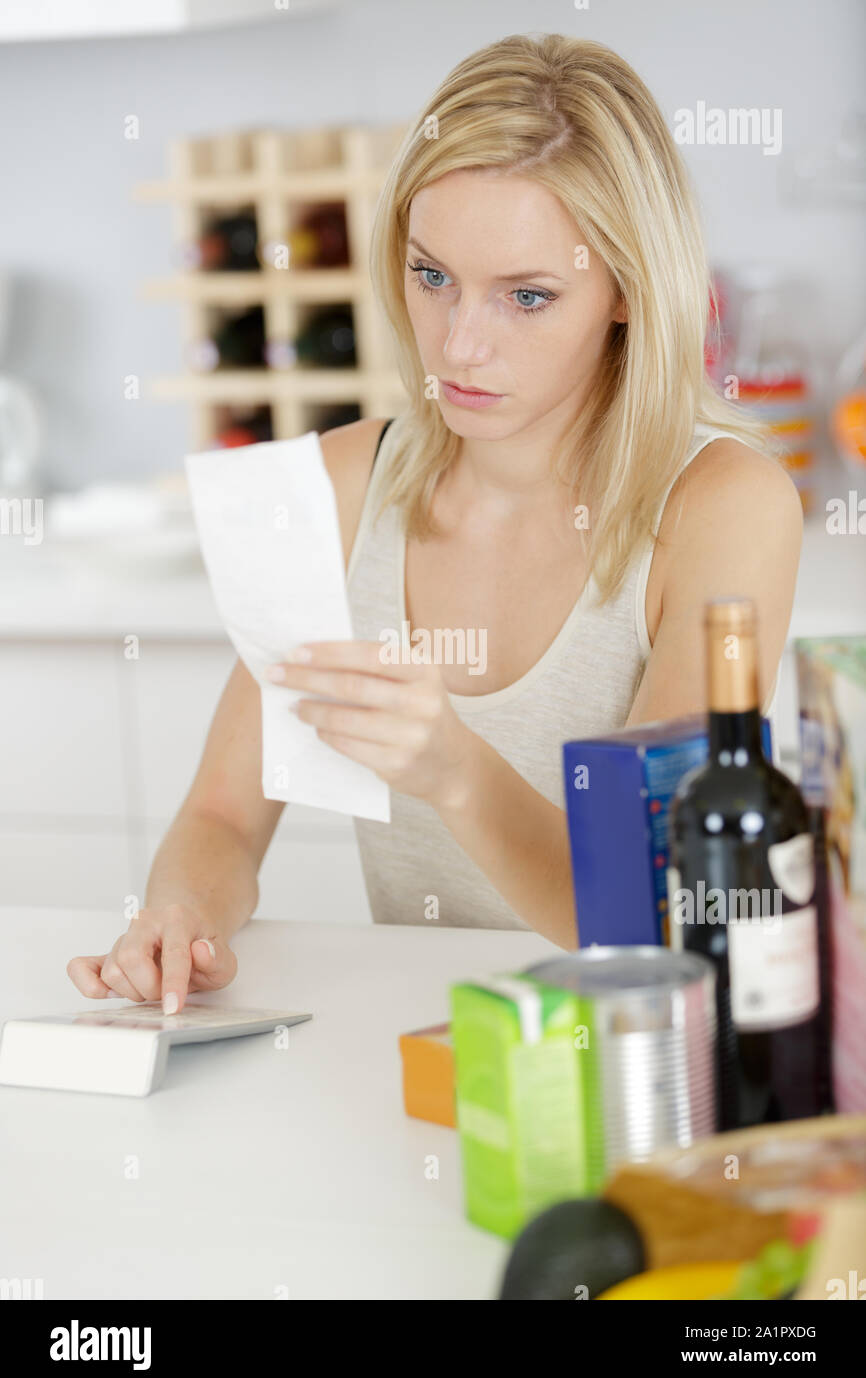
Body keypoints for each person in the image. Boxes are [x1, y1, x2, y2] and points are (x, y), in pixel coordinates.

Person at [68, 34, 802, 1014]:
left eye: (526, 296)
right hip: (425, 1053)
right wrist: (177, 914)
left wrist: (453, 770)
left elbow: (640, 912)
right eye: (431, 275)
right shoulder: (337, 487)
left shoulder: (721, 509)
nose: (458, 342)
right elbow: (221, 816)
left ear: (625, 290)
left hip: (650, 1058)